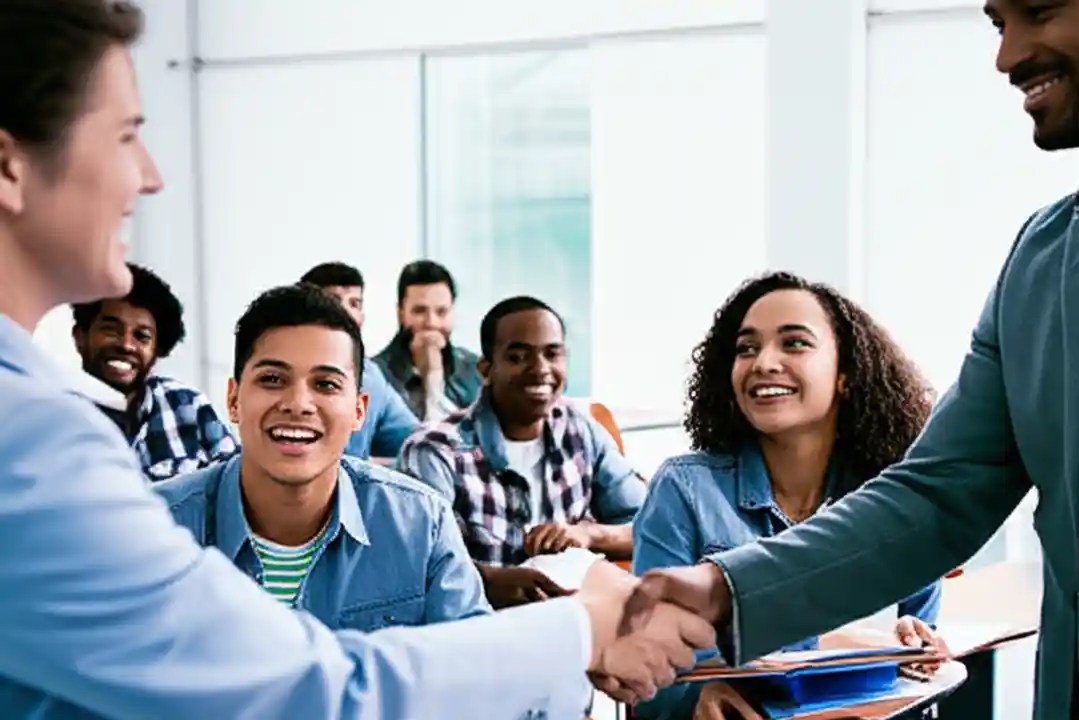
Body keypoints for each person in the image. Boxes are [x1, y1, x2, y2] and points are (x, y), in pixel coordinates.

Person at [0, 2, 710, 717]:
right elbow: (304, 691)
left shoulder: (414, 520)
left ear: (360, 406)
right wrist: (580, 628)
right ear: (9, 164)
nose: (149, 177)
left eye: (328, 383)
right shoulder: (30, 439)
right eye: (125, 135)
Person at [622, 2, 1079, 719]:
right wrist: (726, 590)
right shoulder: (1040, 258)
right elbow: (937, 495)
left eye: (1040, 10)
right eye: (1000, 24)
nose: (1009, 56)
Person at [632, 273, 945, 720]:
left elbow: (920, 670)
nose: (763, 362)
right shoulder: (684, 490)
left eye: (794, 343)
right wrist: (696, 697)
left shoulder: (894, 499)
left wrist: (918, 650)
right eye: (746, 348)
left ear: (845, 374)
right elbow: (643, 677)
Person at [155, 284, 490, 628]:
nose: (298, 404)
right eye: (272, 379)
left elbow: (472, 665)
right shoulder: (154, 527)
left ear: (359, 411)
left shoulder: (421, 524)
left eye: (326, 384)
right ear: (233, 399)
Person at [399, 296, 647, 609]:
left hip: (580, 624)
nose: (541, 369)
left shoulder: (581, 431)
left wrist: (588, 535)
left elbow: (652, 528)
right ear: (486, 369)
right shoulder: (434, 451)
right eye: (518, 357)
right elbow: (418, 564)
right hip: (479, 630)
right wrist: (489, 582)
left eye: (552, 354)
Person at [72, 261, 238, 479]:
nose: (126, 345)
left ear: (157, 350)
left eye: (142, 336)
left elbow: (236, 488)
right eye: (111, 329)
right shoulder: (52, 419)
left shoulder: (188, 406)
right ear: (80, 337)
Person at [299, 261, 420, 460]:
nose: (347, 312)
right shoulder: (282, 366)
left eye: (355, 303)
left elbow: (417, 441)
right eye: (334, 301)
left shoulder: (370, 376)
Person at [374, 260, 483, 422]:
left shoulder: (476, 371)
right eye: (419, 311)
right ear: (401, 313)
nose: (431, 322)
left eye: (441, 312)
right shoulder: (375, 375)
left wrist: (434, 379)